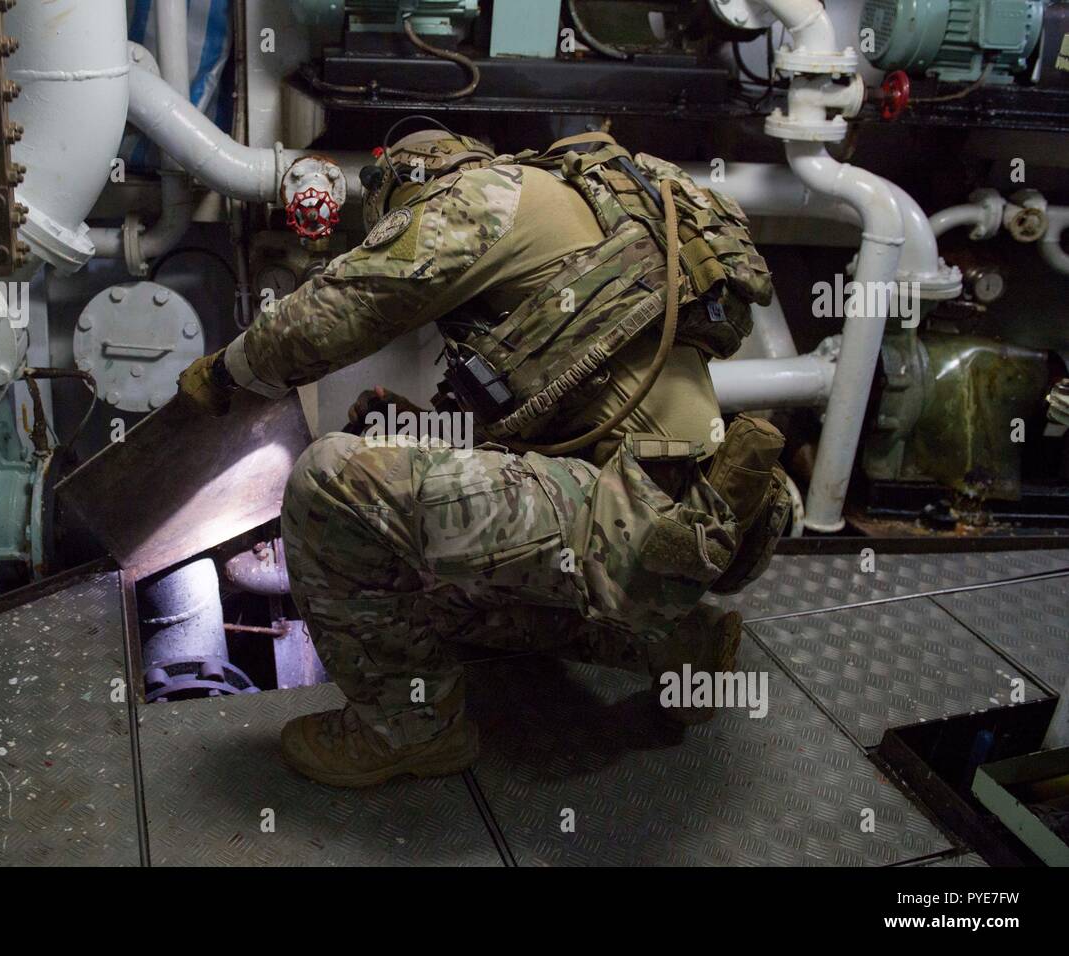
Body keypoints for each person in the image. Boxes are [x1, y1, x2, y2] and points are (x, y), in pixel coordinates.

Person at [177, 124, 790, 788]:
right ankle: (677, 642)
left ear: (409, 184)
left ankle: (409, 731)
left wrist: (226, 372)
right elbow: (548, 423)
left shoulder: (476, 196)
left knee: (330, 485)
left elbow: (336, 311)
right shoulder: (571, 203)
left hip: (637, 524)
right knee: (428, 588)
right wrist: (417, 430)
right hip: (687, 515)